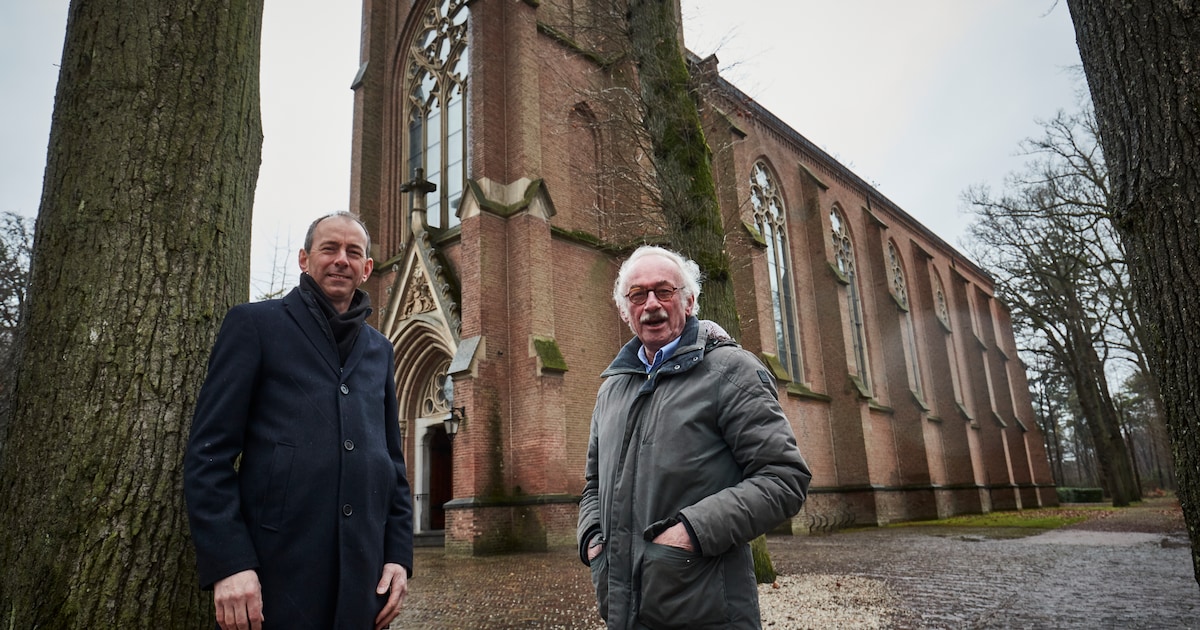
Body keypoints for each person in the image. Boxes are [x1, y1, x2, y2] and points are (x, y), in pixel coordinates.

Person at [185, 212, 413, 630]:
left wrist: (398, 556)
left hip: (361, 588)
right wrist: (229, 562)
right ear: (305, 259)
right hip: (273, 583)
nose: (341, 259)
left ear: (366, 269)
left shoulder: (381, 349)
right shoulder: (255, 325)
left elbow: (392, 464)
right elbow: (209, 455)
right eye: (329, 248)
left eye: (353, 252)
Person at [577, 245, 812, 629]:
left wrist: (690, 532)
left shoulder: (731, 372)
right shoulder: (612, 389)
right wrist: (593, 540)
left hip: (706, 611)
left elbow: (784, 478)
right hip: (622, 612)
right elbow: (593, 484)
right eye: (638, 295)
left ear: (689, 301)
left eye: (664, 291)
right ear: (625, 311)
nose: (651, 304)